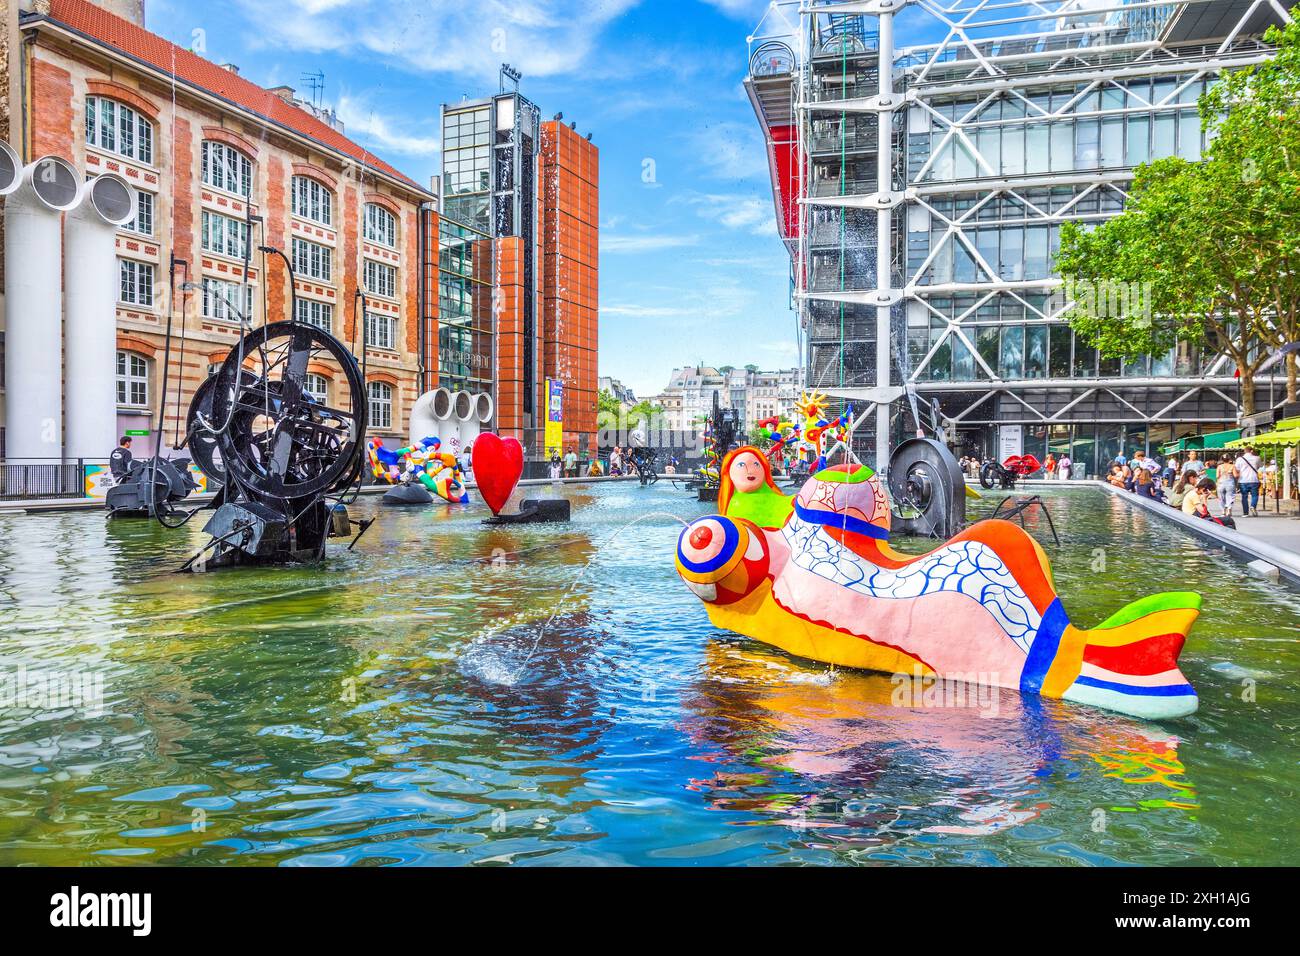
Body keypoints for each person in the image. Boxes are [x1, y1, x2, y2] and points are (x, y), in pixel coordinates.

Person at [1234, 445, 1263, 516]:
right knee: (1255, 495)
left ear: (1244, 451)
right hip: (1254, 479)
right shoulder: (1257, 458)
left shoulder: (1239, 459)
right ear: (1252, 451)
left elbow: (1237, 469)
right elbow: (1260, 466)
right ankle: (1253, 506)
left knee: (1244, 496)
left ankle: (1245, 513)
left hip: (1243, 480)